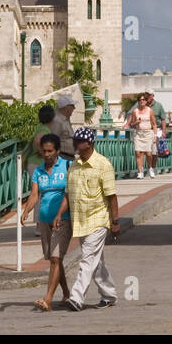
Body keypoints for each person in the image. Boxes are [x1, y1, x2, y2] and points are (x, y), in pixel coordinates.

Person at [65, 127, 120, 311]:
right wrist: (59, 215)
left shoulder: (102, 164)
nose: (76, 145)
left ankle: (77, 297)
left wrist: (115, 221)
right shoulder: (74, 165)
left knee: (87, 259)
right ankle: (109, 294)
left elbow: (112, 196)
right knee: (96, 261)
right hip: (80, 221)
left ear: (88, 144)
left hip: (98, 219)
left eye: (79, 142)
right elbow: (68, 194)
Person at [20, 133, 71, 311]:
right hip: (44, 220)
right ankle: (66, 292)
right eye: (44, 151)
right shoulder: (38, 171)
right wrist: (26, 210)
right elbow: (35, 194)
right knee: (54, 259)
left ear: (57, 151)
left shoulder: (67, 166)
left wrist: (60, 213)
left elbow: (69, 193)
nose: (47, 154)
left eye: (50, 151)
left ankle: (47, 299)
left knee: (56, 258)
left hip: (63, 219)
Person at [127, 92, 158, 179]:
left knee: (148, 153)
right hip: (139, 133)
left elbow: (154, 124)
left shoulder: (149, 110)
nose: (142, 101)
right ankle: (140, 172)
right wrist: (136, 122)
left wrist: (155, 135)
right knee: (138, 153)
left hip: (148, 133)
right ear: (138, 101)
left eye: (143, 99)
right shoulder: (135, 111)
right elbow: (132, 124)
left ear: (146, 101)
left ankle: (150, 168)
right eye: (140, 100)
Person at [25, 105, 55, 169]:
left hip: (35, 163)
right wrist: (44, 155)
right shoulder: (44, 129)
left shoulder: (41, 127)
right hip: (37, 163)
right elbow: (37, 141)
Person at [50, 93, 77, 160]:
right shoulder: (57, 121)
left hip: (68, 157)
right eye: (72, 106)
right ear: (66, 107)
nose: (74, 108)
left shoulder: (66, 120)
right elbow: (53, 141)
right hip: (62, 157)